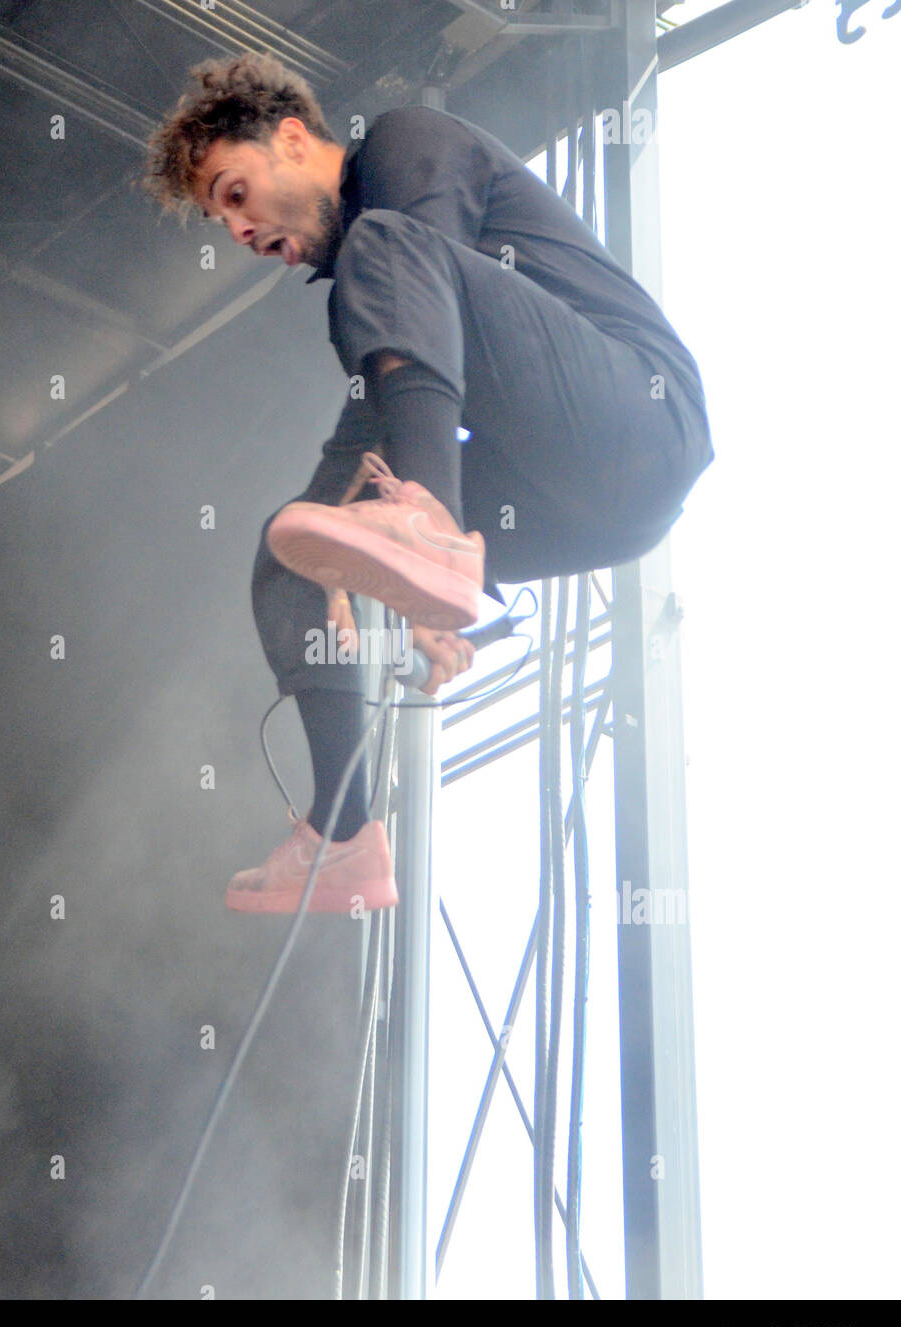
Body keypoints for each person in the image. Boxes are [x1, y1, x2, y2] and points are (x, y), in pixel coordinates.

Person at [144, 53, 714, 916]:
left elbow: (423, 262)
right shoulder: (379, 293)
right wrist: (367, 565)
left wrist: (423, 543)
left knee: (387, 248)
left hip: (641, 418)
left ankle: (436, 533)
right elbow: (375, 422)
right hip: (592, 509)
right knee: (287, 549)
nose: (238, 231)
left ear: (292, 140)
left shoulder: (403, 151)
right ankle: (344, 839)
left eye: (233, 194)